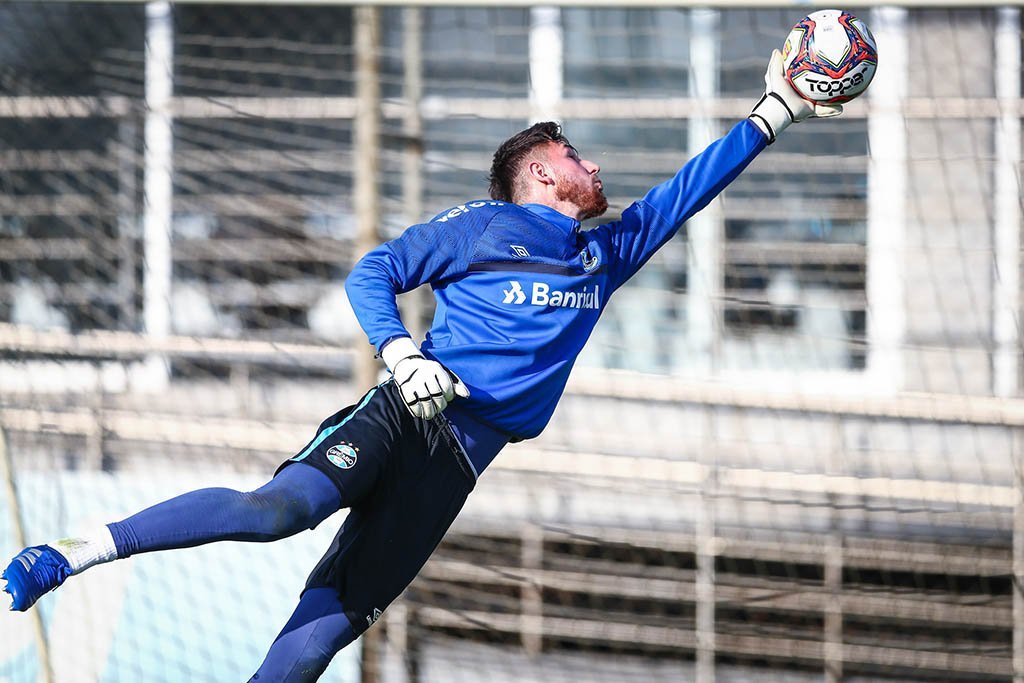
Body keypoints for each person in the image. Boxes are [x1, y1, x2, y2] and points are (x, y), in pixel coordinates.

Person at [3, 51, 840, 681]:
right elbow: (373, 271)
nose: (596, 169)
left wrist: (777, 109)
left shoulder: (604, 254)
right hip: (406, 415)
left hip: (461, 464)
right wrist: (401, 353)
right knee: (276, 512)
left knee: (323, 635)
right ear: (542, 172)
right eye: (580, 156)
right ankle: (75, 552)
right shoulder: (481, 227)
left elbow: (689, 189)